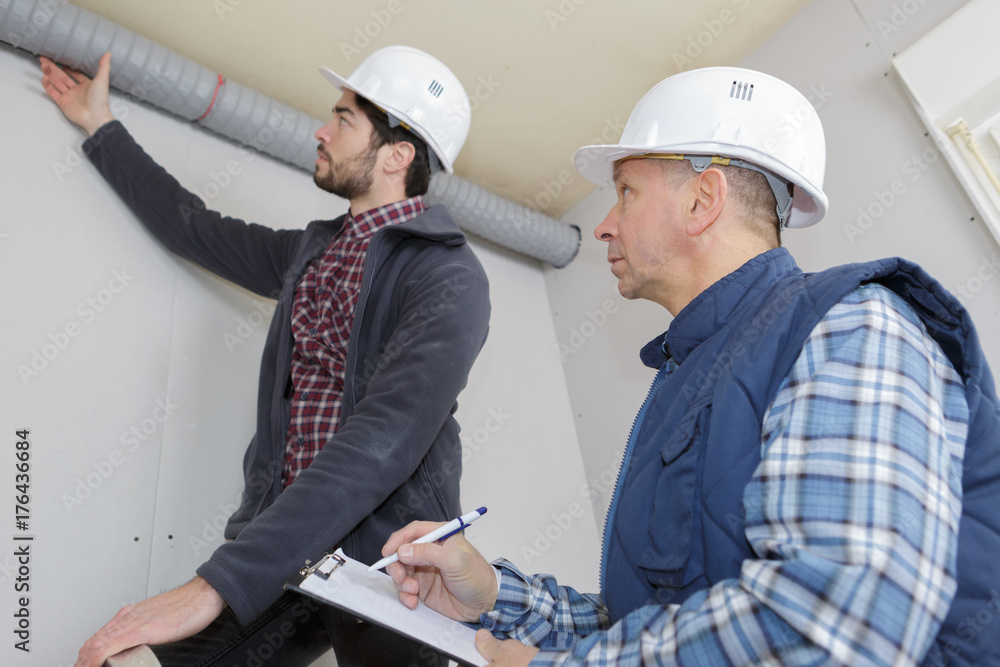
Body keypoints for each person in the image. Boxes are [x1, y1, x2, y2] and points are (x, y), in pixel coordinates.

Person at [381, 67, 1000, 666]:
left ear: (703, 201)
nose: (602, 225)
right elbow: (646, 626)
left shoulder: (850, 326)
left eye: (626, 192)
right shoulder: (692, 373)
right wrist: (493, 595)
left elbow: (840, 621)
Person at [39, 45, 490, 667]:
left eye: (343, 120)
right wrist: (100, 125)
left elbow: (389, 436)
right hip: (283, 546)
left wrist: (215, 583)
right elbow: (192, 226)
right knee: (124, 659)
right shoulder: (311, 252)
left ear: (397, 154)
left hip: (394, 566)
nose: (321, 131)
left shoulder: (448, 275)